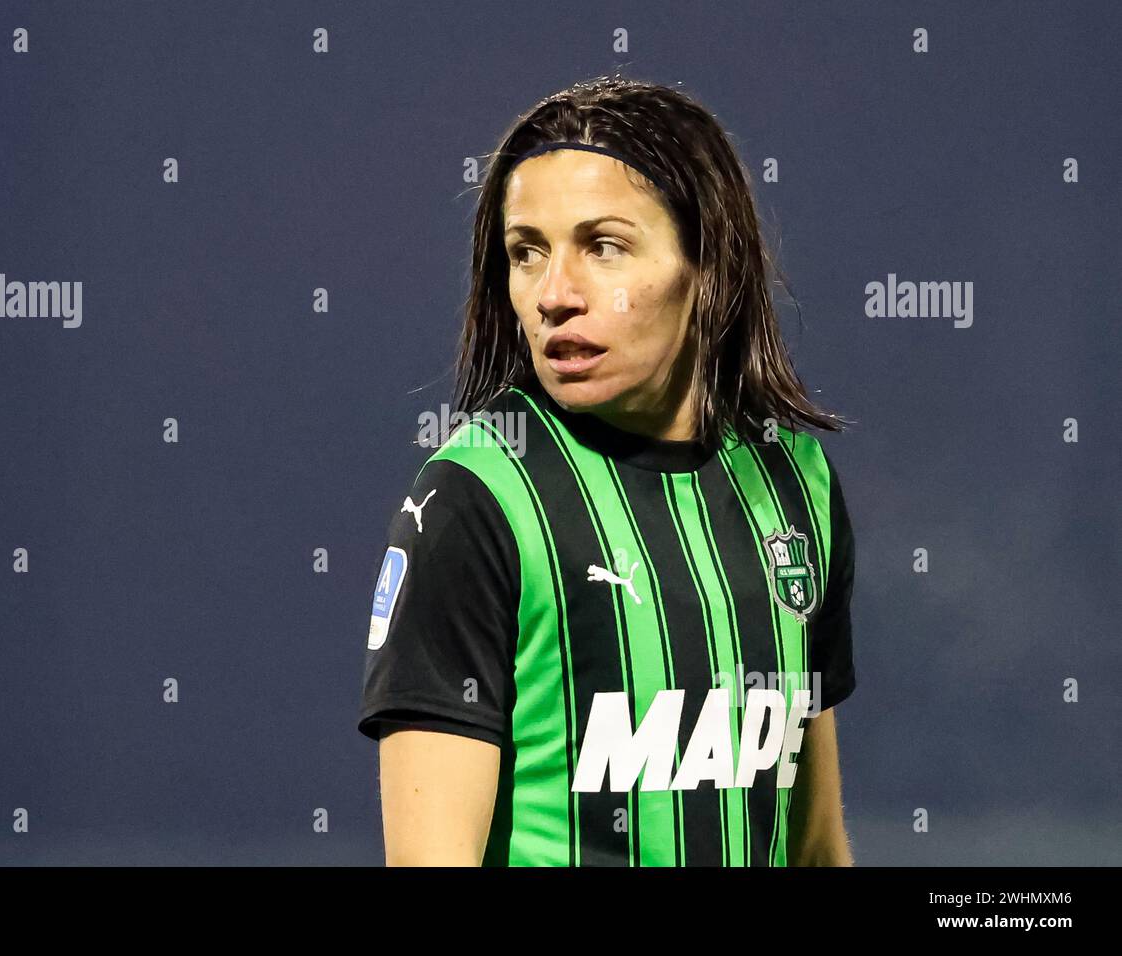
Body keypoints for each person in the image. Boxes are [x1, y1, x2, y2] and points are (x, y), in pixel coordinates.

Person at [358, 76, 857, 867]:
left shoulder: (796, 486)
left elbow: (815, 849)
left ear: (709, 265)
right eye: (527, 253)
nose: (554, 294)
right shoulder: (475, 501)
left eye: (604, 246)